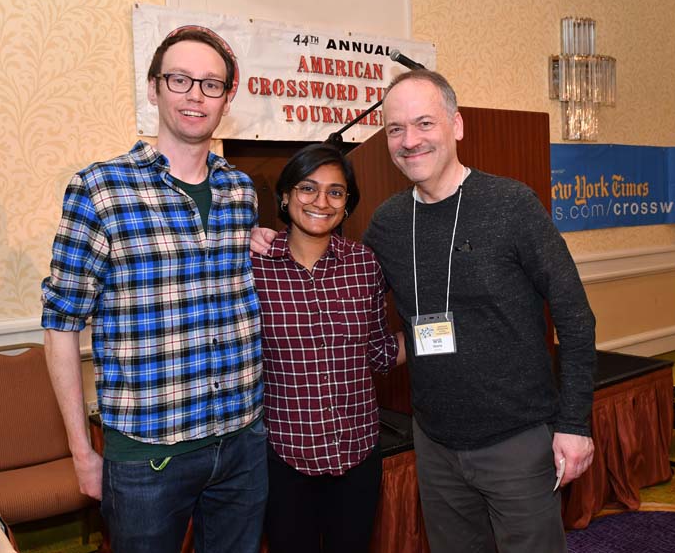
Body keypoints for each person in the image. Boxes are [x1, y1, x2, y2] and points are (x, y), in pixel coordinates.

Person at [252, 69, 596, 553]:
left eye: (424, 124)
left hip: (517, 440)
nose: (409, 141)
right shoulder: (388, 223)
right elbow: (341, 290)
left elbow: (576, 318)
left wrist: (575, 425)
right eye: (396, 129)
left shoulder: (512, 204)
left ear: (456, 126)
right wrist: (263, 234)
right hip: (434, 443)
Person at [41, 26, 266, 553]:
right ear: (153, 87)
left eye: (211, 84)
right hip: (147, 454)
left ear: (227, 98)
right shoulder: (100, 188)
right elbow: (61, 324)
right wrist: (81, 451)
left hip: (243, 441)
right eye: (180, 79)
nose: (195, 95)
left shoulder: (240, 190)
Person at [252, 143, 404, 553]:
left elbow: (378, 353)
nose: (321, 201)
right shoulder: (252, 267)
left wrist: (444, 330)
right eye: (308, 188)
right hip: (284, 456)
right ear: (285, 196)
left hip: (357, 452)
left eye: (335, 192)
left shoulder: (364, 264)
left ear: (347, 204)